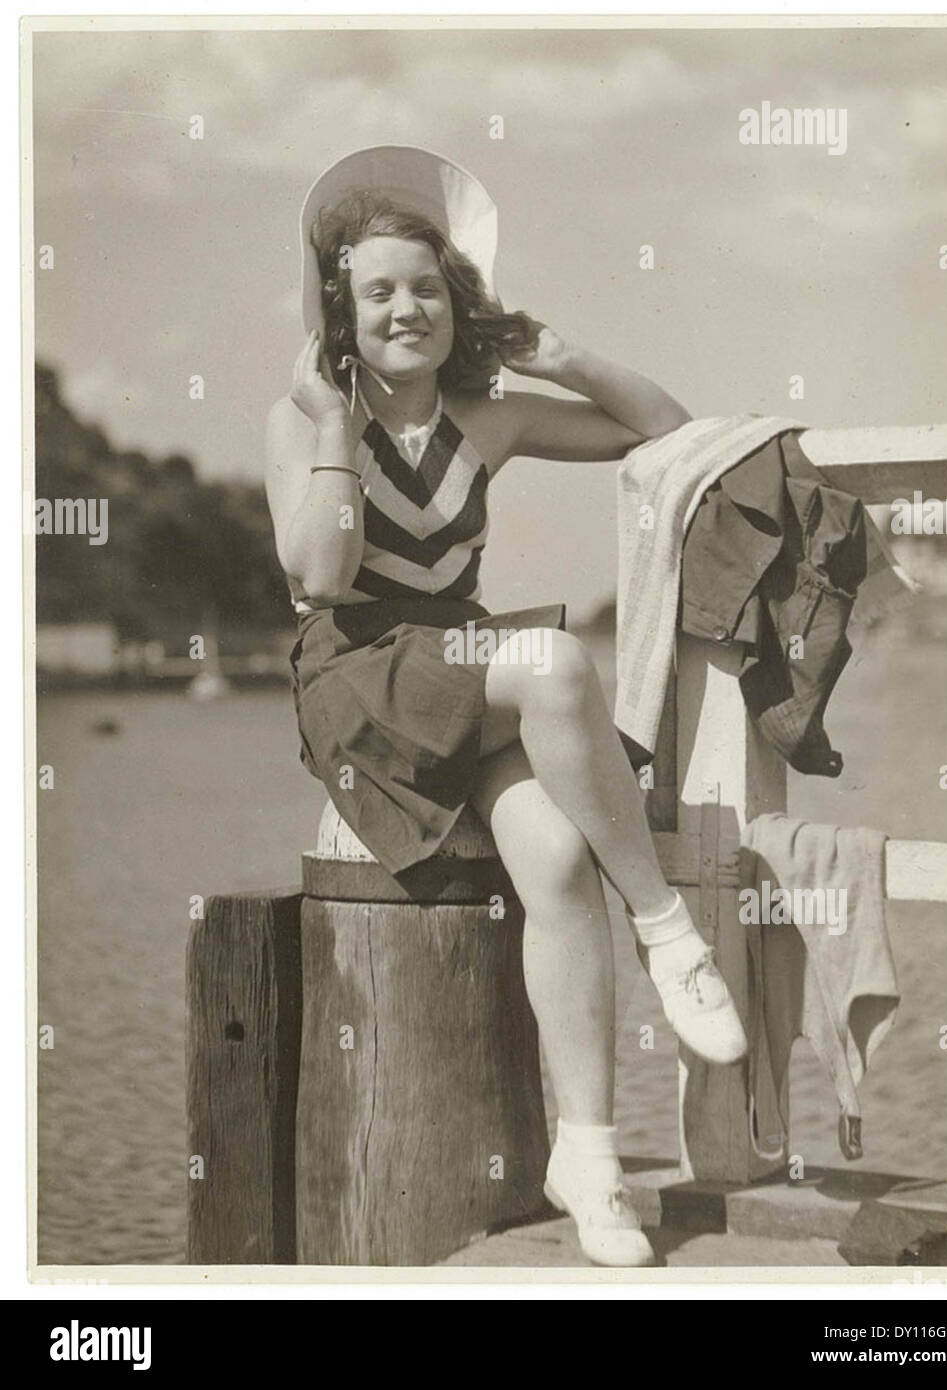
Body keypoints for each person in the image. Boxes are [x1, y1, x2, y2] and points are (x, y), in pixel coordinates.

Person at [265, 146, 747, 1268]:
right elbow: (322, 576)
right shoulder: (300, 420)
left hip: (461, 673)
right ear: (338, 307)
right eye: (378, 289)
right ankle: (670, 929)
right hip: (360, 681)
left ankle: (588, 1159)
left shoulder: (489, 416)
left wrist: (558, 351)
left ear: (457, 297)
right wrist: (335, 430)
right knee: (554, 662)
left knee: (555, 858)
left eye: (427, 286)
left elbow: (663, 428)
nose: (406, 307)